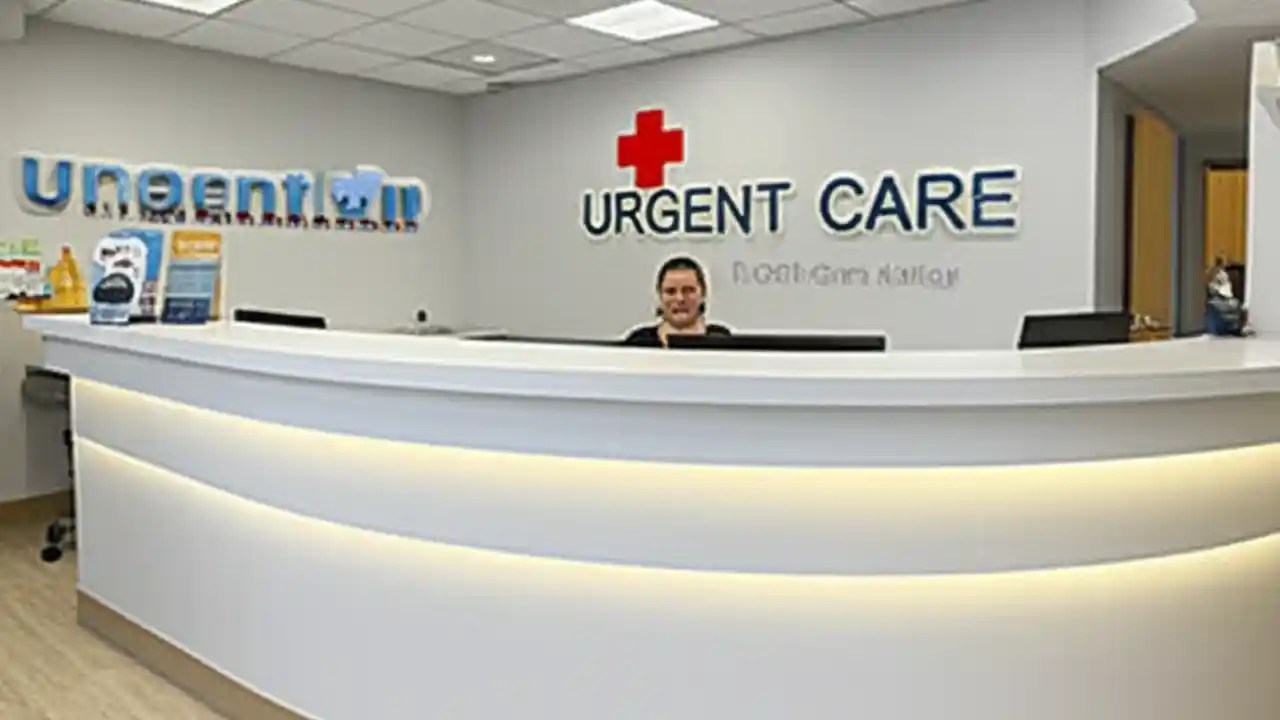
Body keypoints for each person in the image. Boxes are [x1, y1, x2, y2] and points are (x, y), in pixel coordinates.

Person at [623, 255, 731, 347]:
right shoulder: (638, 342)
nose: (680, 299)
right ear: (660, 296)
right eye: (670, 292)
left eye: (689, 290)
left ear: (703, 293)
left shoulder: (721, 340)